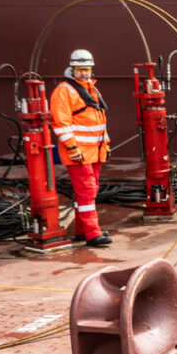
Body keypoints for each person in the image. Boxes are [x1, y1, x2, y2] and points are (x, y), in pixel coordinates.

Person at [50, 48, 112, 246]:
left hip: (94, 151)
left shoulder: (92, 89)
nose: (84, 73)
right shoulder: (64, 91)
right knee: (86, 191)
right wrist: (71, 148)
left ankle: (81, 231)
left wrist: (106, 144)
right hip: (78, 152)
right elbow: (61, 123)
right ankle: (93, 233)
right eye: (80, 69)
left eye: (87, 69)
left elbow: (99, 121)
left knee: (89, 192)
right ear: (72, 68)